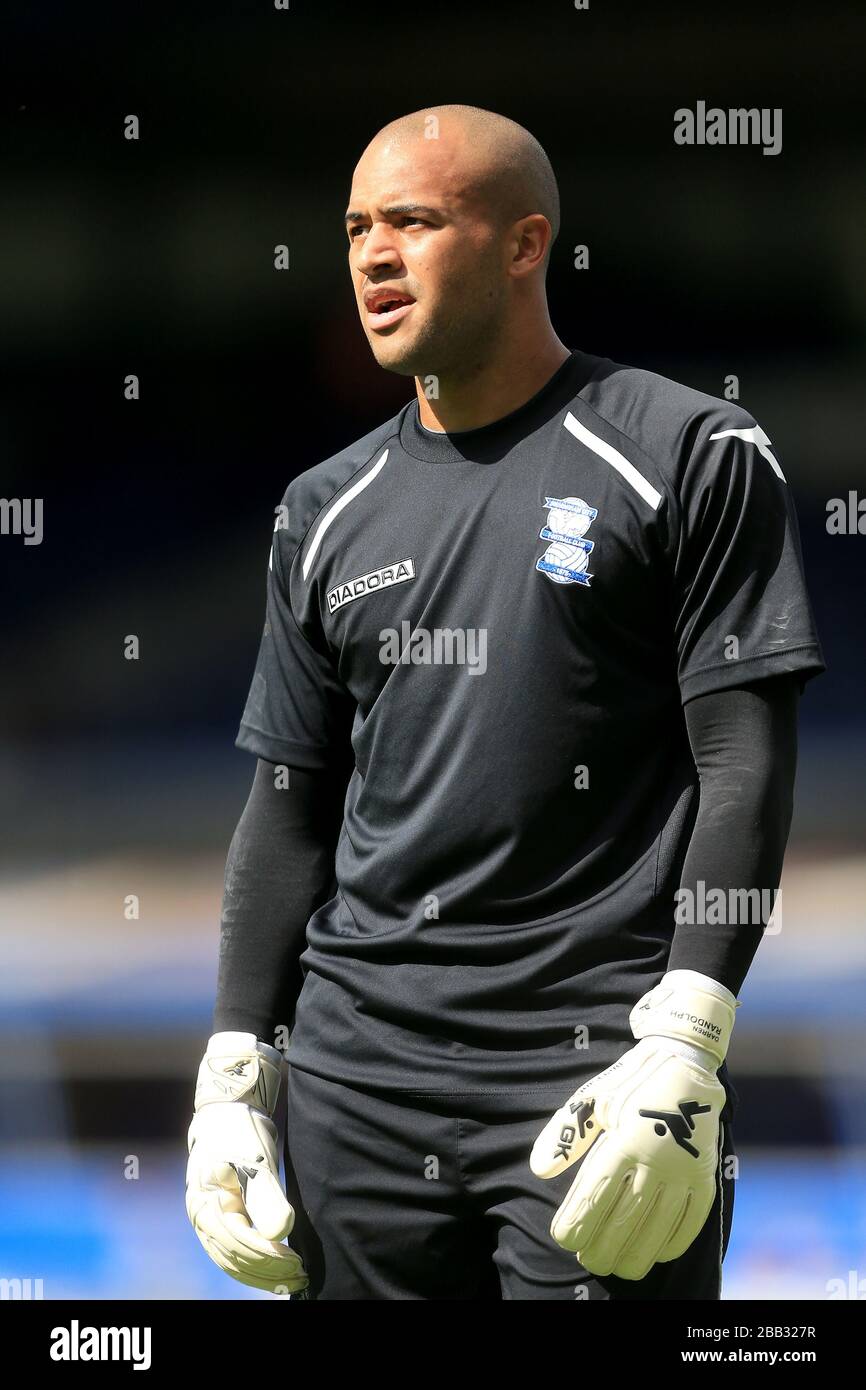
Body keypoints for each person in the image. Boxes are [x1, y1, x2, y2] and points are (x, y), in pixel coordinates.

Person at [185, 104, 825, 1300]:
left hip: (592, 1083)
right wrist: (234, 1066)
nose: (373, 254)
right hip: (352, 1090)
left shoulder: (688, 449)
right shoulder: (320, 507)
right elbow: (286, 806)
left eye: (414, 223)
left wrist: (685, 1043)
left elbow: (739, 757)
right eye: (355, 228)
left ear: (524, 244)